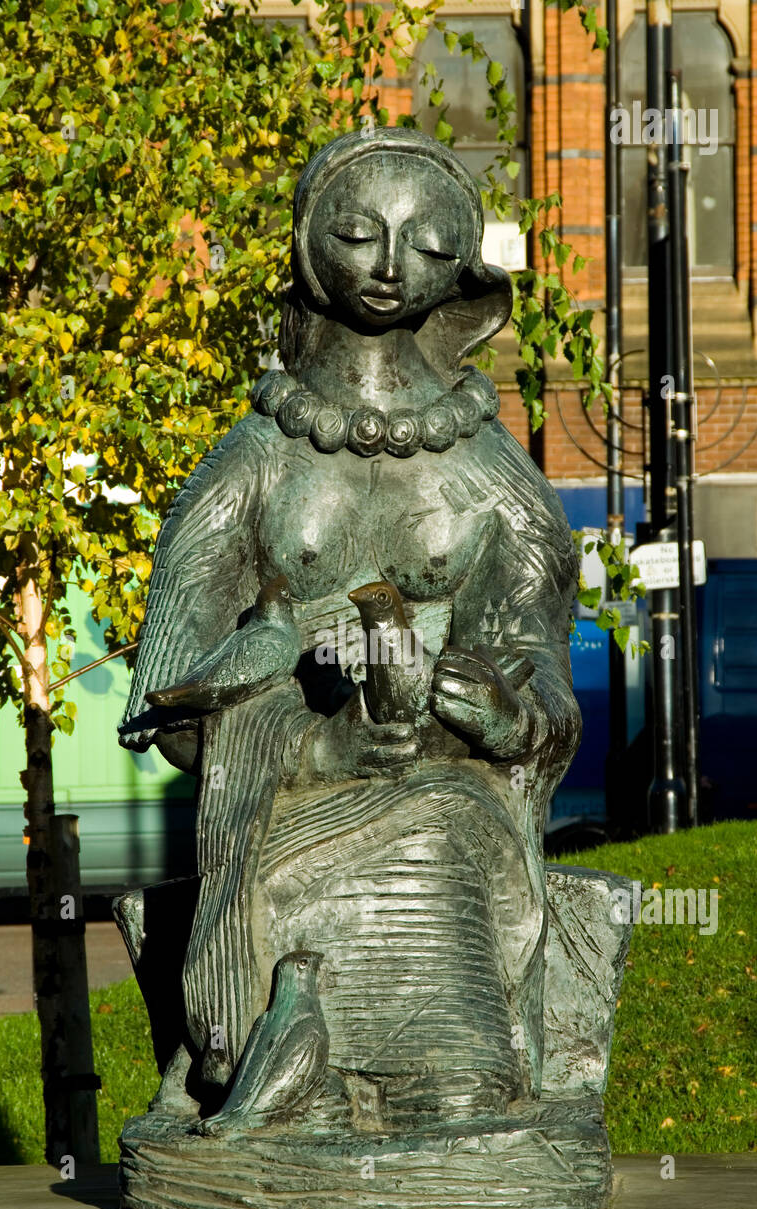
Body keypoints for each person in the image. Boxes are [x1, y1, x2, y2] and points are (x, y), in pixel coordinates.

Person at [119, 127, 582, 1131]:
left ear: (462, 265)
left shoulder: (496, 480)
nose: (385, 265)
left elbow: (540, 659)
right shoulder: (249, 465)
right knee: (363, 853)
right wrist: (311, 742)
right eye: (359, 233)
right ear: (306, 246)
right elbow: (164, 698)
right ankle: (286, 1069)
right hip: (281, 815)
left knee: (447, 824)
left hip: (447, 809)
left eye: (422, 244)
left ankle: (448, 1080)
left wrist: (511, 716)